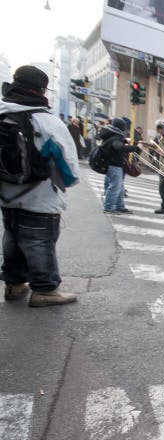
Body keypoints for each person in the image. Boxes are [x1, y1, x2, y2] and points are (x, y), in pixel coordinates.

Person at [0, 65, 81, 307]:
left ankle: (14, 285)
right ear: (42, 90)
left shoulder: (3, 113)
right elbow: (69, 173)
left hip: (7, 194)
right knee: (39, 241)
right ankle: (45, 289)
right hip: (38, 196)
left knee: (13, 237)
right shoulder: (47, 122)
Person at [97, 118, 142, 214]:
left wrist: (124, 141)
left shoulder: (112, 135)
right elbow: (119, 147)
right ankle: (108, 207)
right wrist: (136, 148)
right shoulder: (115, 137)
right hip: (114, 165)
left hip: (115, 165)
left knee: (120, 187)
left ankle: (119, 206)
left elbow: (117, 146)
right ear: (121, 127)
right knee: (115, 187)